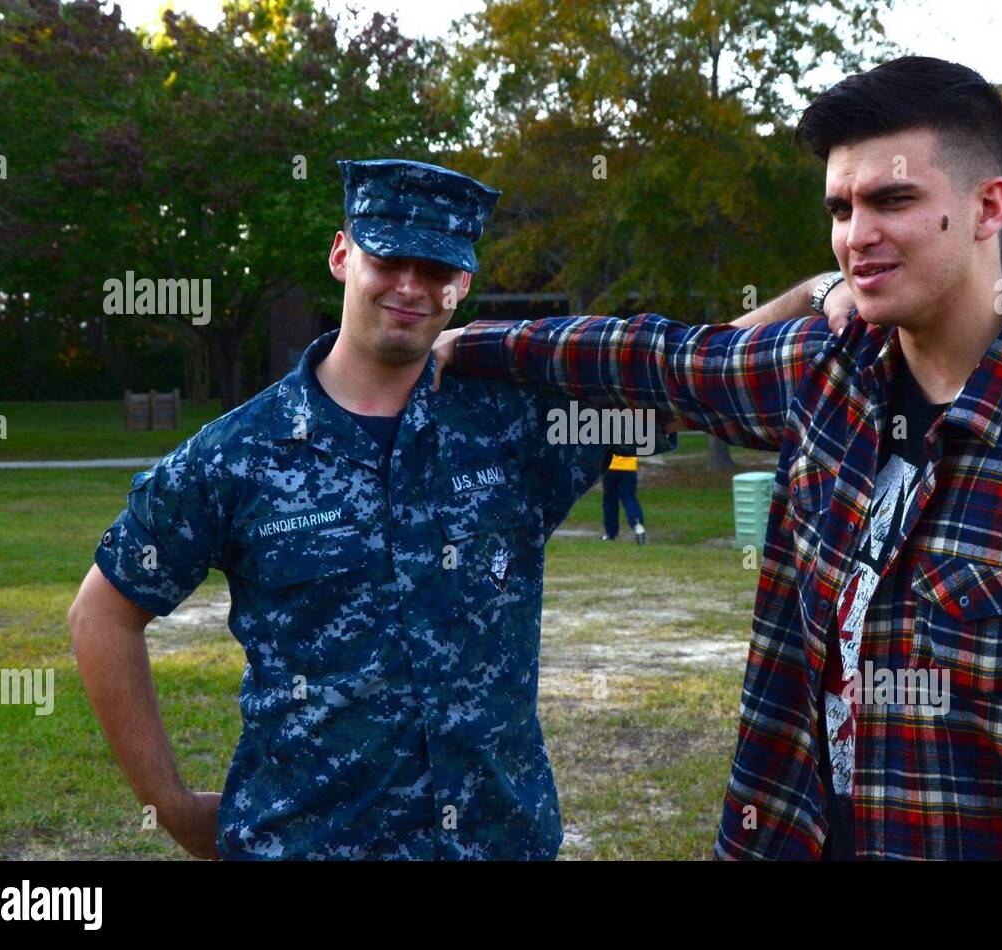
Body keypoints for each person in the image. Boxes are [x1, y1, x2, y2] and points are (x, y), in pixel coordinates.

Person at [435, 56, 1002, 860]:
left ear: (988, 207)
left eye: (893, 200)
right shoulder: (831, 374)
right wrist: (469, 344)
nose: (856, 235)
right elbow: (658, 360)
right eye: (841, 207)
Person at [67, 158, 675, 860]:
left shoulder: (514, 428)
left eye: (437, 267)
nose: (410, 286)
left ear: (463, 282)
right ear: (342, 256)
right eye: (387, 258)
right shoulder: (236, 454)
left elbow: (694, 370)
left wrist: (819, 299)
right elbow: (103, 614)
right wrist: (170, 805)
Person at [600, 450, 646, 543]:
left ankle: (610, 532)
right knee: (629, 498)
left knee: (610, 501)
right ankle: (637, 525)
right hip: (629, 468)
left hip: (610, 467)